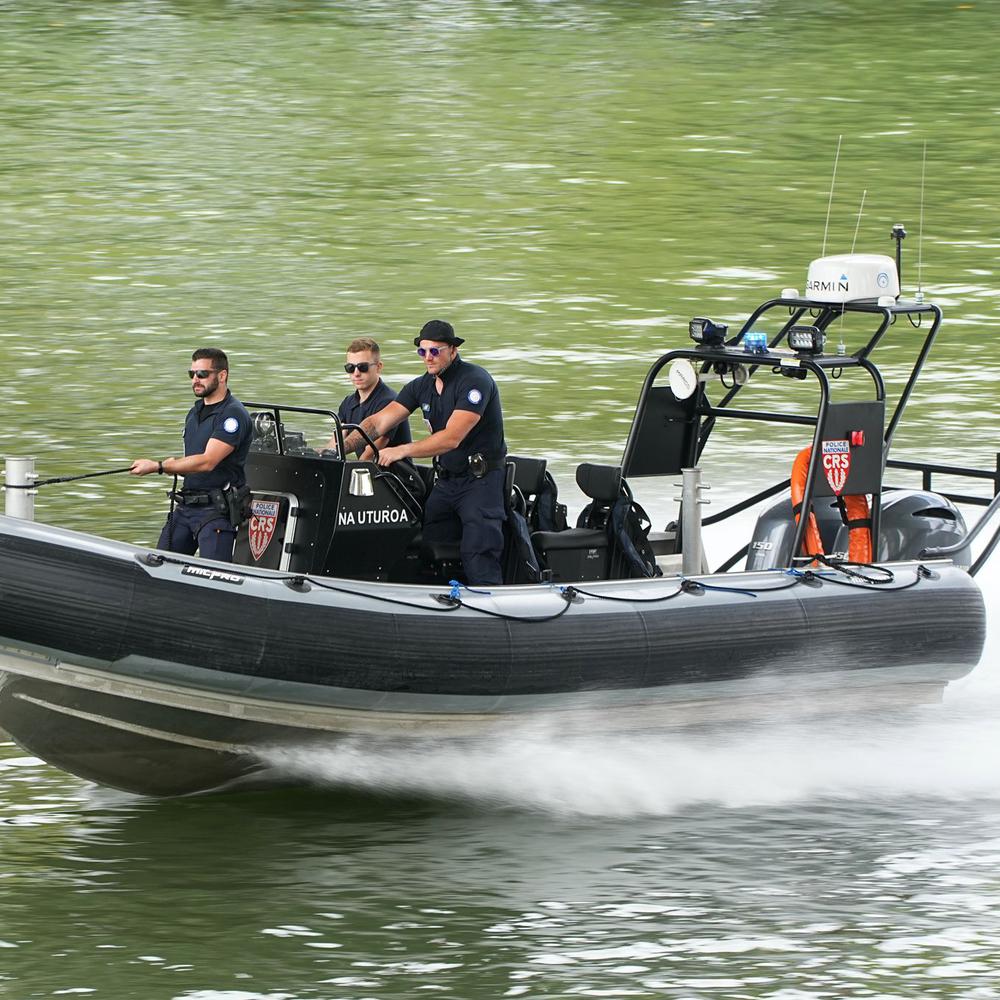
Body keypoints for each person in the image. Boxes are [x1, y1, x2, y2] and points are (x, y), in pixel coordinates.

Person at [341, 319, 507, 586]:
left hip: (481, 482)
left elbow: (451, 438)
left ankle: (491, 606)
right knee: (427, 547)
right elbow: (378, 422)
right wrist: (334, 448)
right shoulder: (421, 386)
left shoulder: (474, 382)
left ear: (452, 350)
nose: (428, 357)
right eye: (422, 351)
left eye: (435, 351)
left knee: (478, 553)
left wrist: (401, 450)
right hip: (447, 481)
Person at [130, 347, 252, 562]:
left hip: (215, 512)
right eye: (192, 374)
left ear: (222, 376)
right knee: (158, 565)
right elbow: (192, 460)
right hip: (186, 507)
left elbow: (207, 461)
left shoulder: (232, 415)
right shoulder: (194, 412)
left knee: (215, 577)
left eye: (202, 374)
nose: (195, 379)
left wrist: (160, 466)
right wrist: (171, 466)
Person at [332, 337, 411, 459]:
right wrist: (320, 455)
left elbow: (371, 453)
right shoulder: (348, 403)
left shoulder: (390, 402)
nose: (356, 373)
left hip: (392, 474)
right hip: (366, 473)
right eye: (350, 368)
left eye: (363, 367)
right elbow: (335, 443)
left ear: (379, 367)